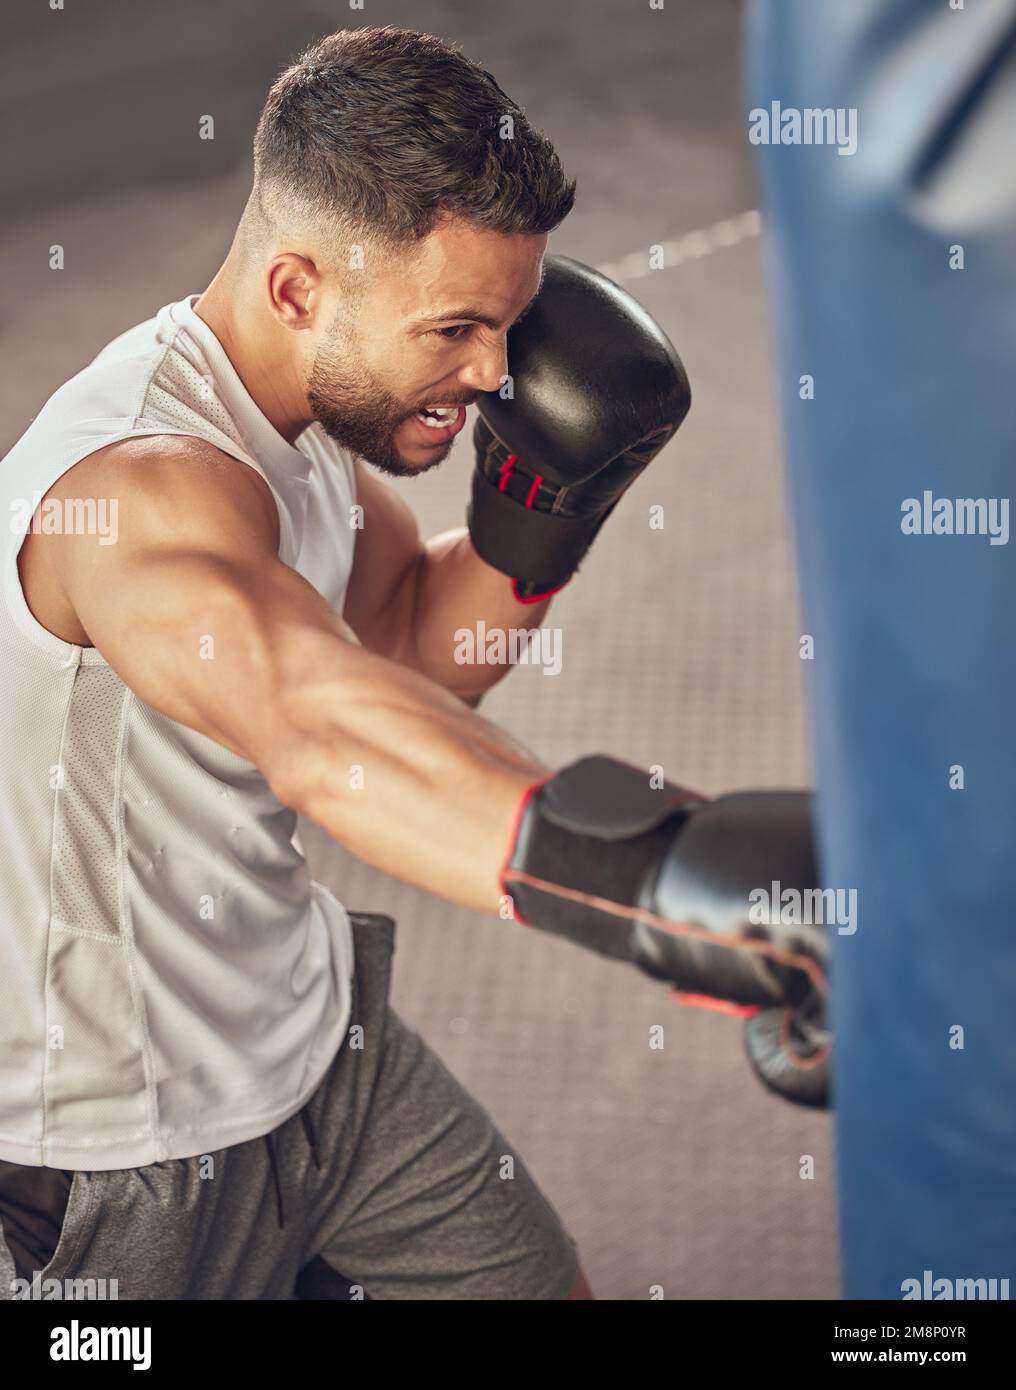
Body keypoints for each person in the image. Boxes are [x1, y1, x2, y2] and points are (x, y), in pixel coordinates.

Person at [0, 25, 820, 1301]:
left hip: (319, 1042)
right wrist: (651, 878)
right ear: (296, 289)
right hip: (109, 1147)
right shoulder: (139, 493)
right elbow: (318, 722)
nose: (493, 374)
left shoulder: (310, 421)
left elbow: (405, 658)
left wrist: (540, 513)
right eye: (453, 329)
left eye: (504, 326)